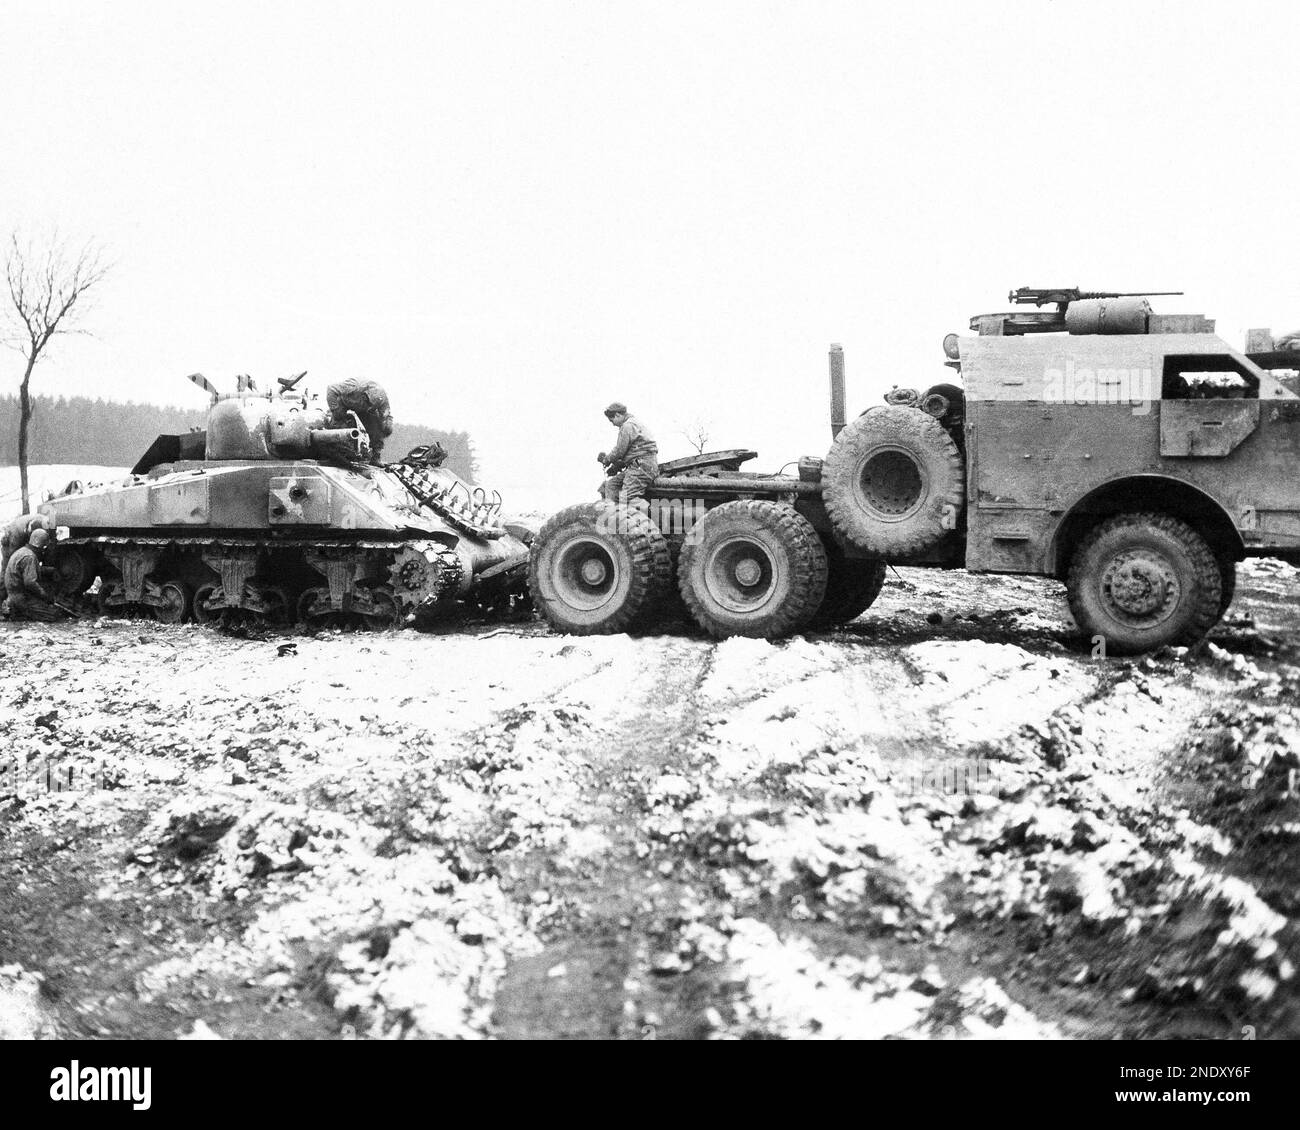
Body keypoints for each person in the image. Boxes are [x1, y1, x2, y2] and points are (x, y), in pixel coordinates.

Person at [597, 402, 659, 508]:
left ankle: (655, 514)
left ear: (617, 415)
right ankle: (614, 516)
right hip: (639, 465)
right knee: (611, 485)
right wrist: (617, 465)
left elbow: (619, 451)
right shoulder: (633, 423)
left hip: (642, 466)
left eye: (612, 420)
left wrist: (606, 460)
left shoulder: (627, 426)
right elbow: (631, 452)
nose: (612, 423)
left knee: (627, 498)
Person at [326, 378, 395, 463]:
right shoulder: (353, 387)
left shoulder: (382, 399)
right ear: (365, 394)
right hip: (344, 404)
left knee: (376, 424)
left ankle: (376, 456)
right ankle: (338, 455)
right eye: (368, 402)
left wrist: (387, 426)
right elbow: (331, 389)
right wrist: (335, 409)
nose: (369, 405)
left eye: (372, 404)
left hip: (363, 411)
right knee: (339, 427)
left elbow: (385, 415)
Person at [3, 528, 65, 622]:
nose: (43, 550)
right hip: (21, 597)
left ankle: (14, 608)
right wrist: (45, 596)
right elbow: (30, 583)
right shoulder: (30, 557)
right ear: (39, 544)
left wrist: (50, 570)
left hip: (14, 594)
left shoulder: (22, 551)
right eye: (43, 547)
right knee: (54, 615)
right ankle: (17, 612)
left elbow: (27, 570)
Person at [0, 513, 54, 605]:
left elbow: (48, 543)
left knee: (30, 565)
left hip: (24, 540)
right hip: (12, 542)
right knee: (7, 571)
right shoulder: (16, 533)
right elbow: (14, 561)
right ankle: (3, 599)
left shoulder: (46, 525)